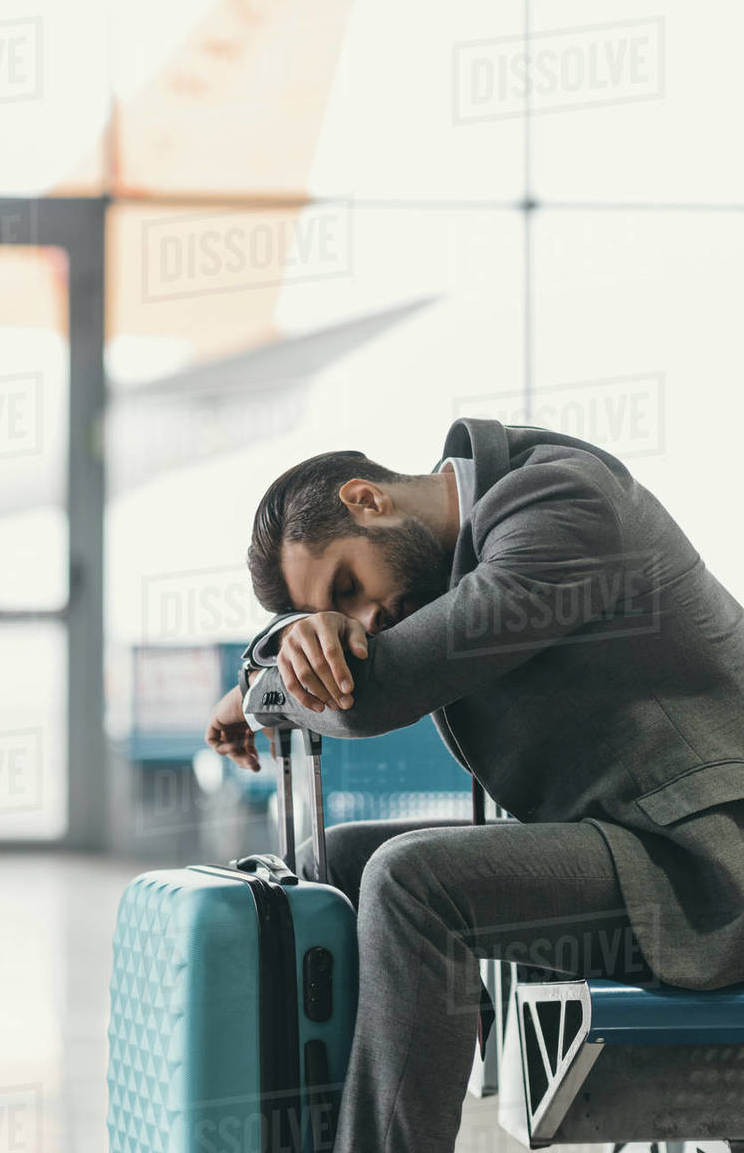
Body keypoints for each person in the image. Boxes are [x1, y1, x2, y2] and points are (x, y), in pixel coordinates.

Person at [205, 417, 744, 1153]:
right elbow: (356, 668)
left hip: (708, 859)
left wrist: (259, 688)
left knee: (414, 882)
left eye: (347, 587)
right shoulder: (449, 561)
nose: (364, 621)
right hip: (630, 838)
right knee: (336, 862)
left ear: (367, 500)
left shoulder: (562, 505)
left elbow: (374, 693)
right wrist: (282, 646)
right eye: (335, 614)